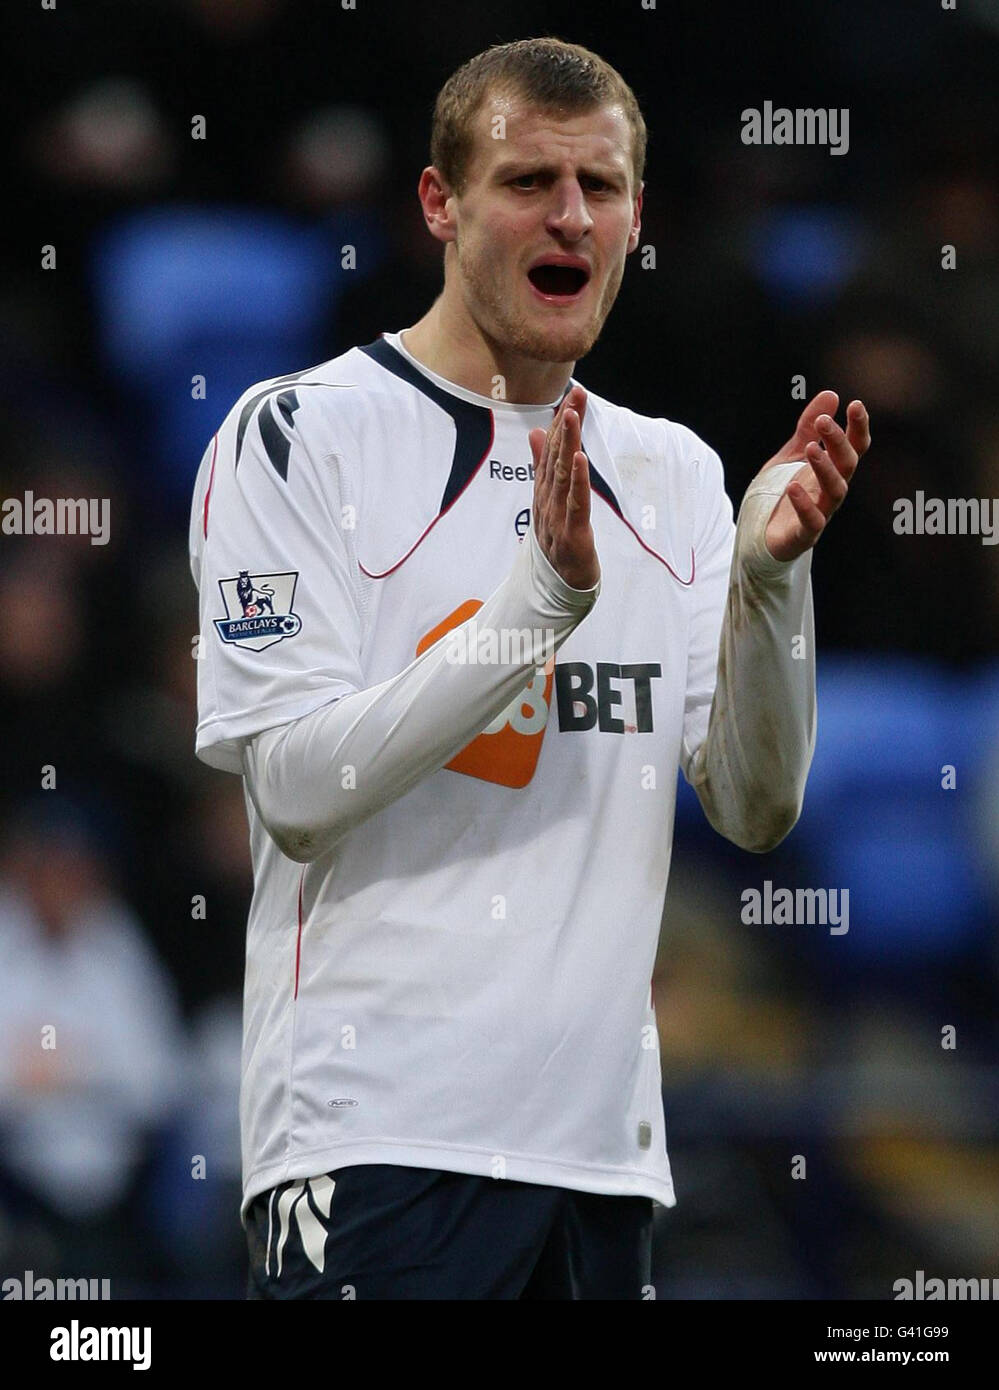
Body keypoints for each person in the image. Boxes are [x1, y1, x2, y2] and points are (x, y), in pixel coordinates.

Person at [189, 36, 870, 1299]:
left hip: (605, 1165)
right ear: (440, 205)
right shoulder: (299, 437)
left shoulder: (673, 473)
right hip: (375, 1141)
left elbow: (754, 806)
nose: (570, 214)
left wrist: (774, 584)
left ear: (637, 217)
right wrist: (536, 608)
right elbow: (290, 782)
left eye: (600, 187)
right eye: (528, 180)